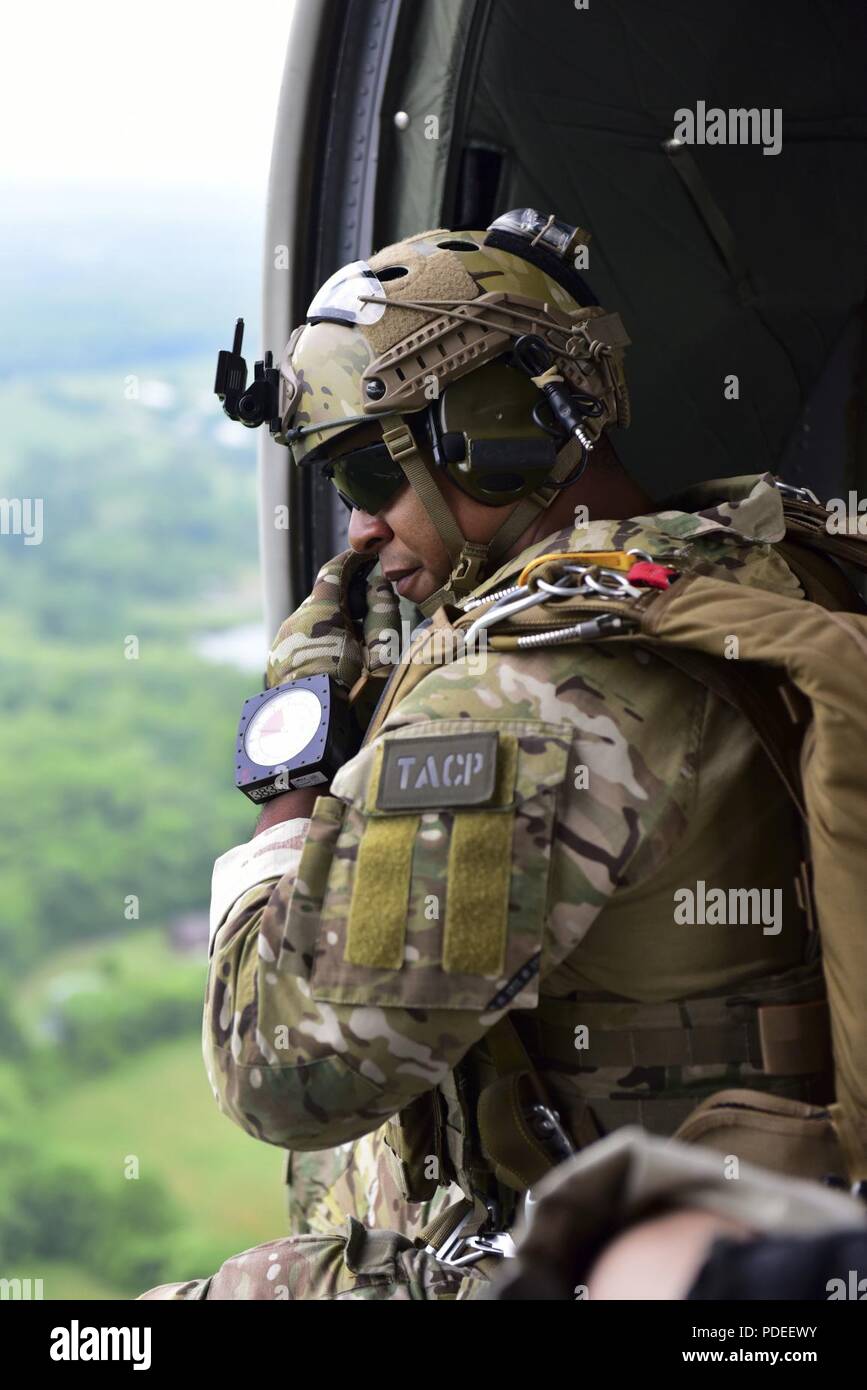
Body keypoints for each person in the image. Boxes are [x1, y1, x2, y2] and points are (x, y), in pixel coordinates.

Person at [140, 209, 847, 1300]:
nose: (359, 532)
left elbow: (281, 1071)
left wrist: (290, 778)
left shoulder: (518, 705)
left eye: (371, 478)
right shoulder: (773, 563)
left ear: (492, 429)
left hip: (628, 1265)